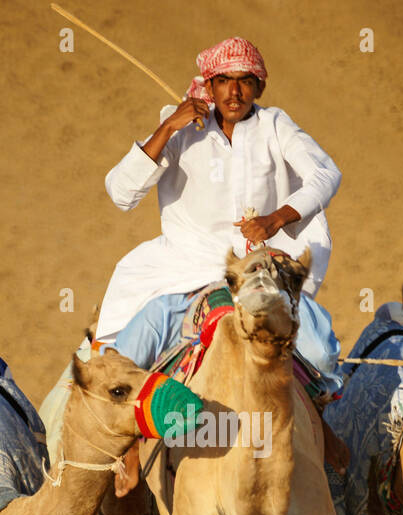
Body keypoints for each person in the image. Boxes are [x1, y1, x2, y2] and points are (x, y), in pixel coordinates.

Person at [95, 36, 343, 391]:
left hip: (262, 273)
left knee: (320, 354)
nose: (235, 92)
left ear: (259, 87)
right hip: (184, 274)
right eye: (224, 80)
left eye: (245, 81)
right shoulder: (180, 131)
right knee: (119, 363)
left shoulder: (275, 126)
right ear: (209, 85)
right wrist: (167, 128)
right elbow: (121, 193)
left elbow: (326, 173)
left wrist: (276, 219)